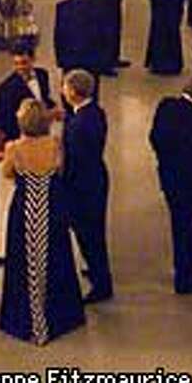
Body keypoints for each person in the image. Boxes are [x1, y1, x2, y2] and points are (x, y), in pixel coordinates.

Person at [0, 98, 85, 345]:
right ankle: (59, 315)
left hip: (25, 206)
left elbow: (7, 174)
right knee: (56, 254)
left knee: (24, 259)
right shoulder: (55, 145)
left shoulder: (13, 148)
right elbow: (60, 171)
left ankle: (25, 318)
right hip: (51, 205)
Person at [148, 75, 192, 294]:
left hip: (170, 179)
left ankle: (183, 271)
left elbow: (155, 137)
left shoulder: (166, 106)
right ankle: (187, 278)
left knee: (178, 227)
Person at [60, 70, 113, 304]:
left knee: (89, 235)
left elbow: (75, 160)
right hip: (95, 179)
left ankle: (101, 283)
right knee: (93, 232)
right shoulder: (94, 112)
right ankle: (97, 271)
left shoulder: (79, 124)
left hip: (83, 186)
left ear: (73, 91)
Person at [0, 41, 59, 142]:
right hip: (21, 140)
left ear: (33, 59)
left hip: (44, 135)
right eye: (16, 64)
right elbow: (6, 123)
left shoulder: (42, 75)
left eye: (24, 63)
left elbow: (43, 98)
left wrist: (55, 108)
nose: (20, 68)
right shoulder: (6, 89)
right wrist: (44, 116)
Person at [54, 0, 101, 80]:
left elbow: (59, 36)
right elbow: (104, 36)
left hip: (69, 60)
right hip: (92, 60)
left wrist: (60, 60)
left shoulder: (62, 7)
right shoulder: (99, 8)